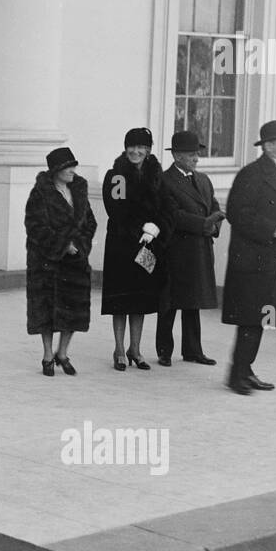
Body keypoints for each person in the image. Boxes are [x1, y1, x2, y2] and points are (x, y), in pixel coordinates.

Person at [222, 120, 276, 395]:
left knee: (260, 320)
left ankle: (246, 370)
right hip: (252, 262)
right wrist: (272, 229)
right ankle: (236, 375)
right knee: (249, 319)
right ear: (269, 146)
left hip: (275, 263)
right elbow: (237, 213)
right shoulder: (252, 174)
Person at [25, 147, 97, 376]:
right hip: (48, 261)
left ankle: (62, 353)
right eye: (68, 167)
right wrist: (63, 244)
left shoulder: (79, 190)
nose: (72, 171)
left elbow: (90, 222)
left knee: (73, 310)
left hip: (75, 260)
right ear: (56, 170)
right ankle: (47, 355)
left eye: (73, 167)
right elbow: (35, 227)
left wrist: (80, 246)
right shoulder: (40, 194)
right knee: (46, 310)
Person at [101, 127, 169, 370]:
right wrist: (142, 228)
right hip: (122, 246)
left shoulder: (157, 176)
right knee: (120, 302)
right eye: (132, 146)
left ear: (149, 150)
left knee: (140, 301)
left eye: (142, 147)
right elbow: (117, 210)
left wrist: (155, 228)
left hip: (147, 246)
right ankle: (119, 350)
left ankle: (135, 349)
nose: (136, 151)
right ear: (125, 148)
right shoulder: (117, 175)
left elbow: (165, 207)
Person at [156, 130, 224, 366]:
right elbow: (173, 214)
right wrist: (205, 224)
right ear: (176, 155)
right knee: (170, 301)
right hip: (176, 250)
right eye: (190, 154)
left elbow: (214, 207)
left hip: (200, 248)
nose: (196, 158)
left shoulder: (203, 180)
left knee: (193, 301)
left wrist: (213, 226)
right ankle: (165, 350)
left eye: (197, 153)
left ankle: (193, 350)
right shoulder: (164, 181)